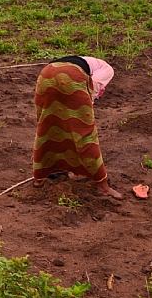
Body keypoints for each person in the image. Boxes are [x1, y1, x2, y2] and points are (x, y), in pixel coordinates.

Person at [32, 55, 122, 199]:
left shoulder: (84, 62)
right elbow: (94, 86)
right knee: (84, 133)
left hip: (45, 74)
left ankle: (40, 178)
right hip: (71, 76)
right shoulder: (107, 69)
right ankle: (103, 186)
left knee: (49, 127)